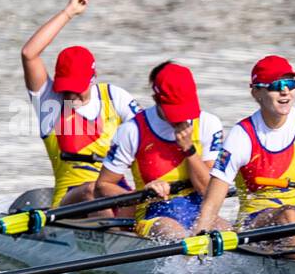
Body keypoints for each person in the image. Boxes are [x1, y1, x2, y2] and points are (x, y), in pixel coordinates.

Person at [192, 55, 295, 261]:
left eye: (290, 83)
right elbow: (213, 200)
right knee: (290, 215)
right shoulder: (242, 135)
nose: (285, 91)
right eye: (275, 85)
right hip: (256, 222)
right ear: (256, 92)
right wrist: (199, 238)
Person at [20, 0, 140, 207]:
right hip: (70, 201)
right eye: (66, 87)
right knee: (93, 190)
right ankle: (114, 233)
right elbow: (29, 54)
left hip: (116, 193)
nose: (71, 94)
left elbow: (147, 139)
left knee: (133, 200)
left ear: (92, 80)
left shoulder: (115, 97)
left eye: (77, 88)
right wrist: (69, 12)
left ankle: (130, 231)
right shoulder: (51, 102)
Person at [95, 62, 225, 240]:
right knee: (174, 233)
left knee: (226, 231)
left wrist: (189, 150)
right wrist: (144, 192)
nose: (181, 118)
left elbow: (207, 191)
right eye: (174, 111)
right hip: (152, 214)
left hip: (198, 210)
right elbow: (103, 186)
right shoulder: (132, 130)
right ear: (156, 100)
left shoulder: (209, 124)